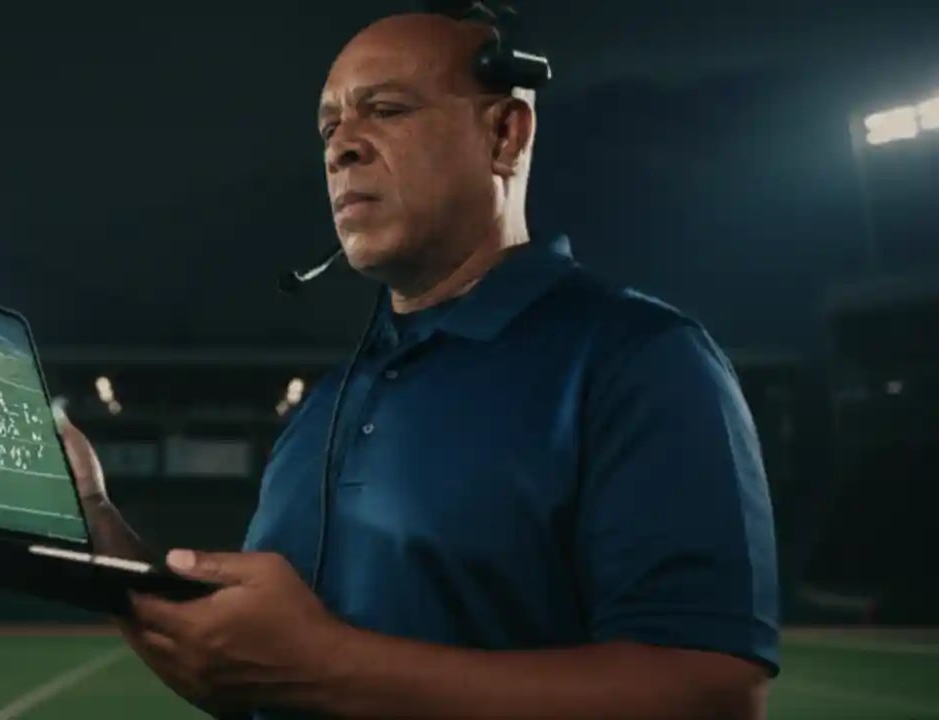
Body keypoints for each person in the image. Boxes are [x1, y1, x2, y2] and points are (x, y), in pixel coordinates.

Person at [54, 7, 780, 719]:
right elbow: (246, 672)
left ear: (505, 133)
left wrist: (321, 667)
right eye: (329, 127)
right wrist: (91, 512)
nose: (341, 147)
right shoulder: (324, 406)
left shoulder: (640, 359)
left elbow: (710, 694)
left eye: (386, 110)